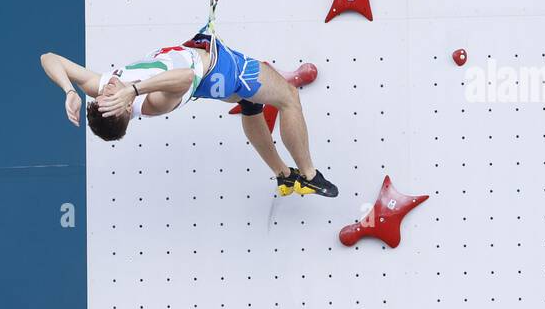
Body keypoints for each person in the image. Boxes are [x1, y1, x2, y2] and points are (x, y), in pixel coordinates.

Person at [40, 31, 338, 197]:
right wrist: (133, 90)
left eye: (104, 93)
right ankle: (309, 174)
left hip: (205, 57)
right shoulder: (152, 102)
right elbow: (184, 78)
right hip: (221, 69)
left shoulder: (106, 87)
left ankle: (284, 175)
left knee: (251, 106)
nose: (108, 86)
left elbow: (49, 58)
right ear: (124, 110)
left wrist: (69, 90)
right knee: (288, 98)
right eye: (110, 95)